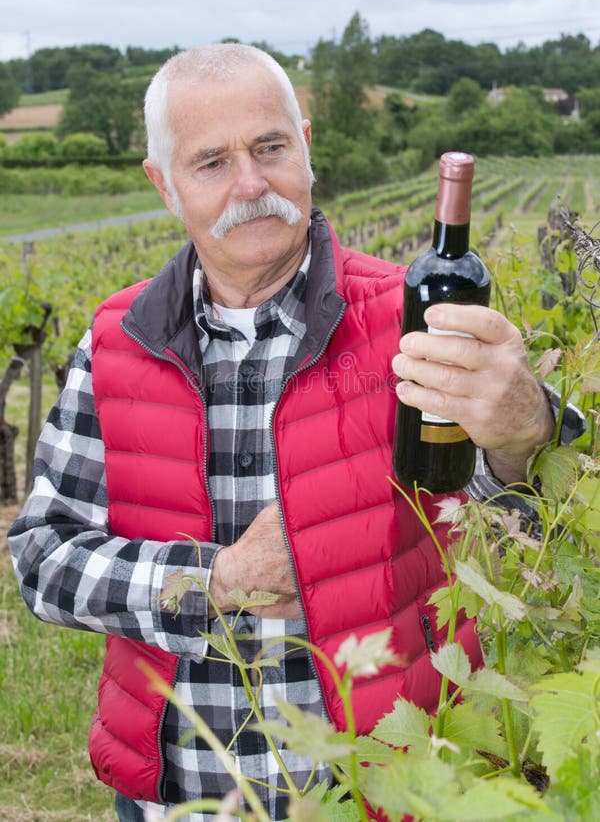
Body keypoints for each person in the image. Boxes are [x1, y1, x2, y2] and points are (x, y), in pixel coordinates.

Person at [7, 44, 583, 822]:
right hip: (185, 800)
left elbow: (510, 516)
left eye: (270, 147)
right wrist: (215, 583)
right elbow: (42, 557)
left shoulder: (410, 320)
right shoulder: (117, 341)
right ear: (164, 185)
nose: (252, 184)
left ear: (306, 147)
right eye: (211, 162)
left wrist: (527, 432)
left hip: (385, 794)